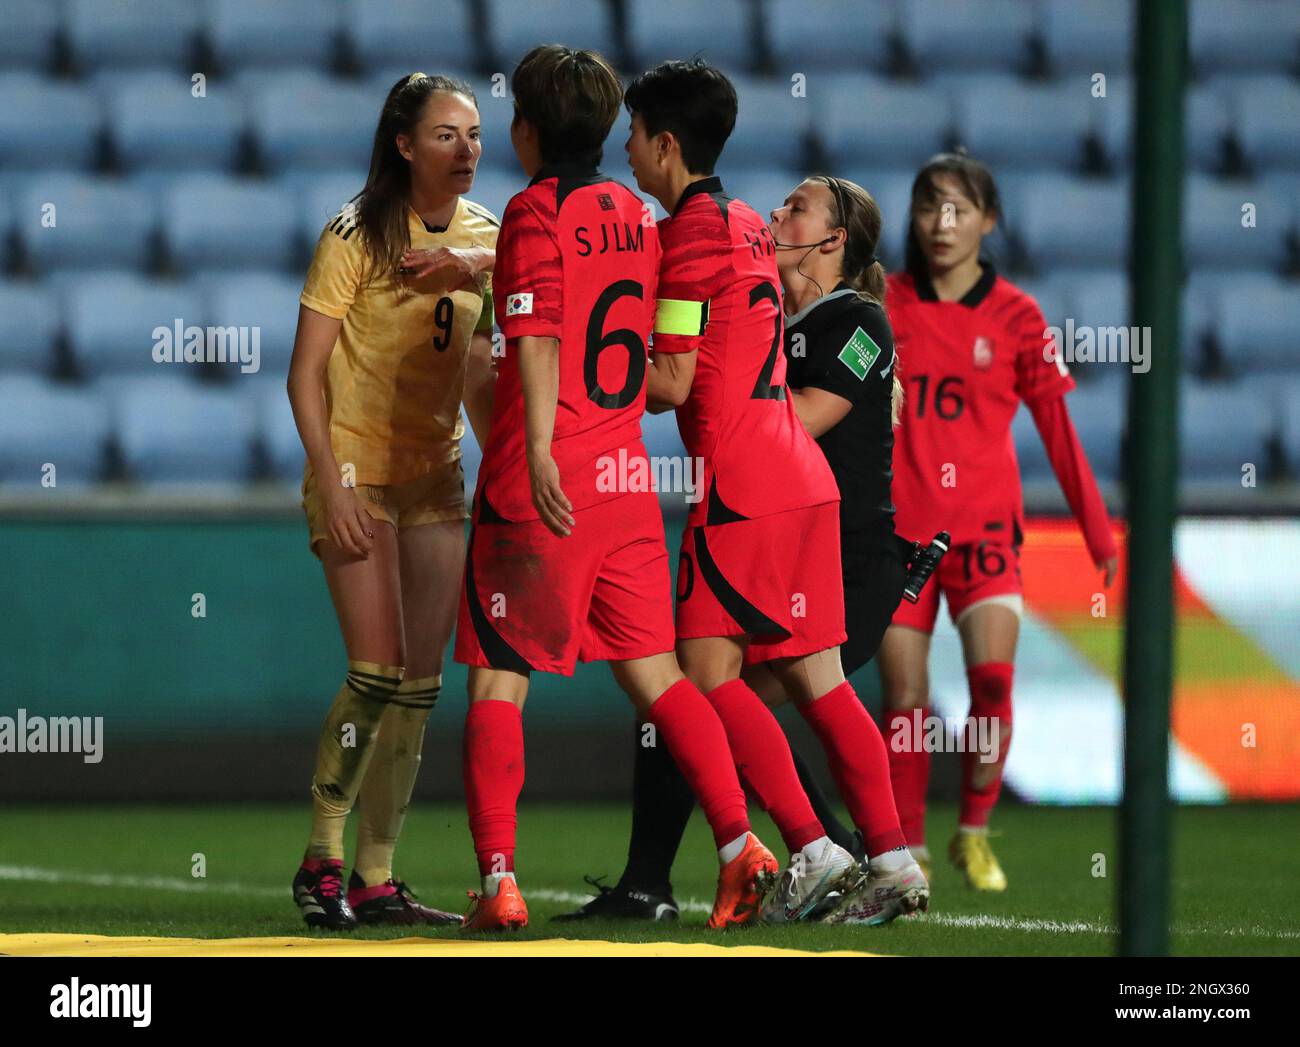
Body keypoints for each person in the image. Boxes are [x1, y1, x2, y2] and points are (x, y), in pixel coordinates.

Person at [453, 44, 777, 934]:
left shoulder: (530, 212)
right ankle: (739, 844)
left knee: (496, 681)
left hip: (543, 478)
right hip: (628, 476)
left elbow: (540, 334)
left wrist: (542, 454)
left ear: (524, 130)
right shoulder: (639, 216)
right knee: (664, 681)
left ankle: (498, 881)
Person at [558, 169, 928, 926]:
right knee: (792, 685)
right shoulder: (772, 308)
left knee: (699, 684)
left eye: (796, 207)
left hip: (838, 543)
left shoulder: (857, 323)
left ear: (833, 240)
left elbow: (792, 417)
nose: (776, 212)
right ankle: (879, 859)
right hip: (795, 523)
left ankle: (811, 850)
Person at [285, 73, 499, 928]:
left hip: (433, 476)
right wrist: (331, 478)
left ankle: (376, 877)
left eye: (477, 134)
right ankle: (321, 858)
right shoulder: (354, 232)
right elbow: (304, 375)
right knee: (374, 671)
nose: (468, 150)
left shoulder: (489, 233)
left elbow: (479, 366)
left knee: (419, 682)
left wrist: (507, 472)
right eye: (446, 135)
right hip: (356, 471)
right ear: (404, 144)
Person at [880, 151, 1119, 891]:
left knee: (990, 685)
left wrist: (1096, 531)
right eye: (928, 206)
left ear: (990, 220)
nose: (941, 223)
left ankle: (975, 829)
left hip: (986, 532)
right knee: (906, 697)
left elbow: (1057, 429)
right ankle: (907, 848)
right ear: (914, 218)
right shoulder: (882, 305)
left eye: (958, 208)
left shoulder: (1019, 315)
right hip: (901, 533)